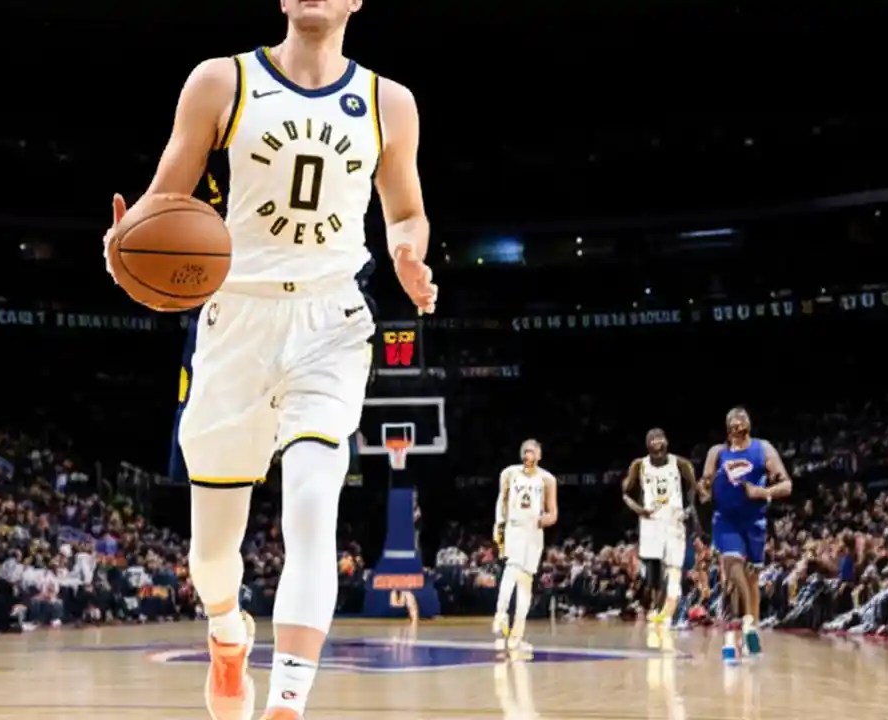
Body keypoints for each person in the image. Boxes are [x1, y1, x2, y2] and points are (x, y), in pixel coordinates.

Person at [102, 1, 437, 717]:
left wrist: (409, 251)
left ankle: (287, 701)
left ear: (354, 2)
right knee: (210, 555)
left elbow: (404, 208)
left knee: (313, 505)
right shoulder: (221, 81)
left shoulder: (390, 102)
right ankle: (228, 631)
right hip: (234, 319)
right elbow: (169, 195)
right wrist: (131, 244)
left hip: (331, 321)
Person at [698, 407, 792, 663]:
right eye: (733, 420)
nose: (738, 423)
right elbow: (704, 484)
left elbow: (787, 485)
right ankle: (736, 632)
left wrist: (761, 493)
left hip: (755, 522)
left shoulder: (764, 449)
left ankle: (752, 629)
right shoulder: (717, 453)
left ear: (749, 424)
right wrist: (704, 490)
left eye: (743, 419)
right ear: (727, 427)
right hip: (726, 521)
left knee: (751, 580)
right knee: (732, 569)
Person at [621, 428, 697, 647]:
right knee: (654, 572)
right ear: (647, 443)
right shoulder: (639, 465)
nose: (657, 442)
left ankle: (668, 614)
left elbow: (692, 488)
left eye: (660, 438)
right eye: (653, 439)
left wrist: (690, 511)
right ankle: (655, 609)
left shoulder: (680, 463)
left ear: (667, 441)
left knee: (674, 569)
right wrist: (638, 509)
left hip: (673, 520)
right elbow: (625, 492)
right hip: (651, 520)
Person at [492, 439, 558, 654]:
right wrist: (499, 525)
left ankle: (516, 636)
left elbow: (553, 513)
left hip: (534, 531)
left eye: (532, 452)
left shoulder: (547, 479)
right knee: (512, 568)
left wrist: (545, 520)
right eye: (525, 452)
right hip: (514, 527)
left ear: (539, 455)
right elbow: (501, 501)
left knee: (526, 582)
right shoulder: (509, 473)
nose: (528, 455)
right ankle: (501, 614)